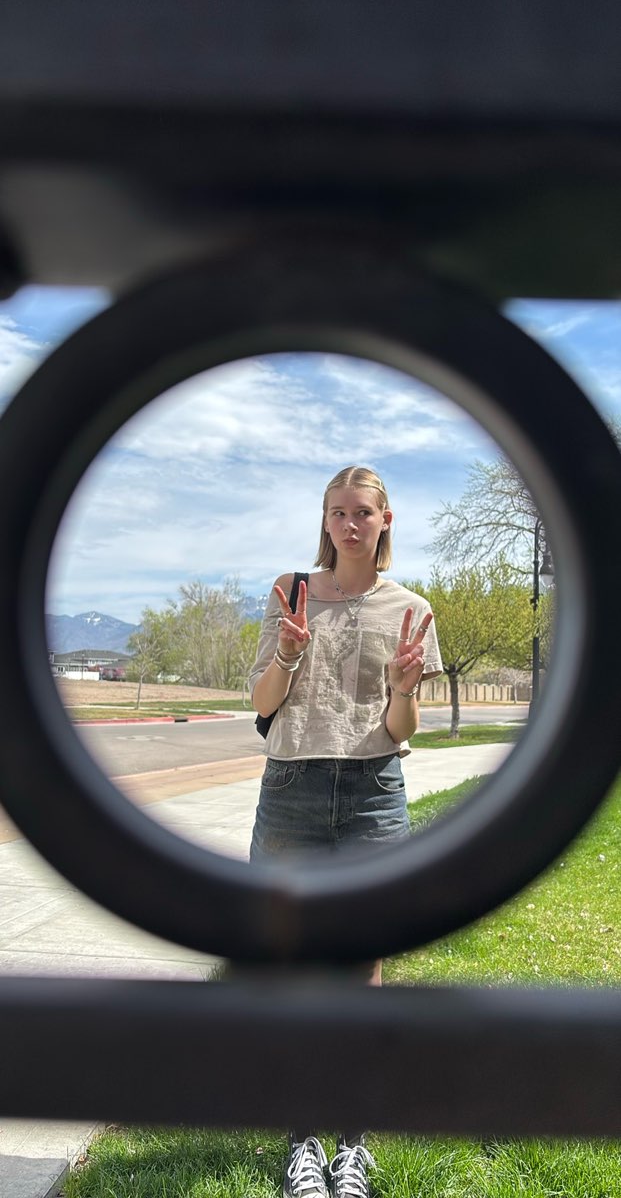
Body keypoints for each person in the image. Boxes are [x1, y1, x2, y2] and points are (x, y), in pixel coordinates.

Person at [249, 465, 443, 1198]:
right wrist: (289, 653)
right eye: (337, 512)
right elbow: (263, 704)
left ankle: (351, 1146)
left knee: (362, 966)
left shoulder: (410, 607)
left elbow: (399, 729)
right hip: (291, 786)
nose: (349, 524)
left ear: (384, 520)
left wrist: (402, 691)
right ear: (324, 521)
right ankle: (302, 1140)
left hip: (371, 790)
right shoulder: (289, 593)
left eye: (363, 512)